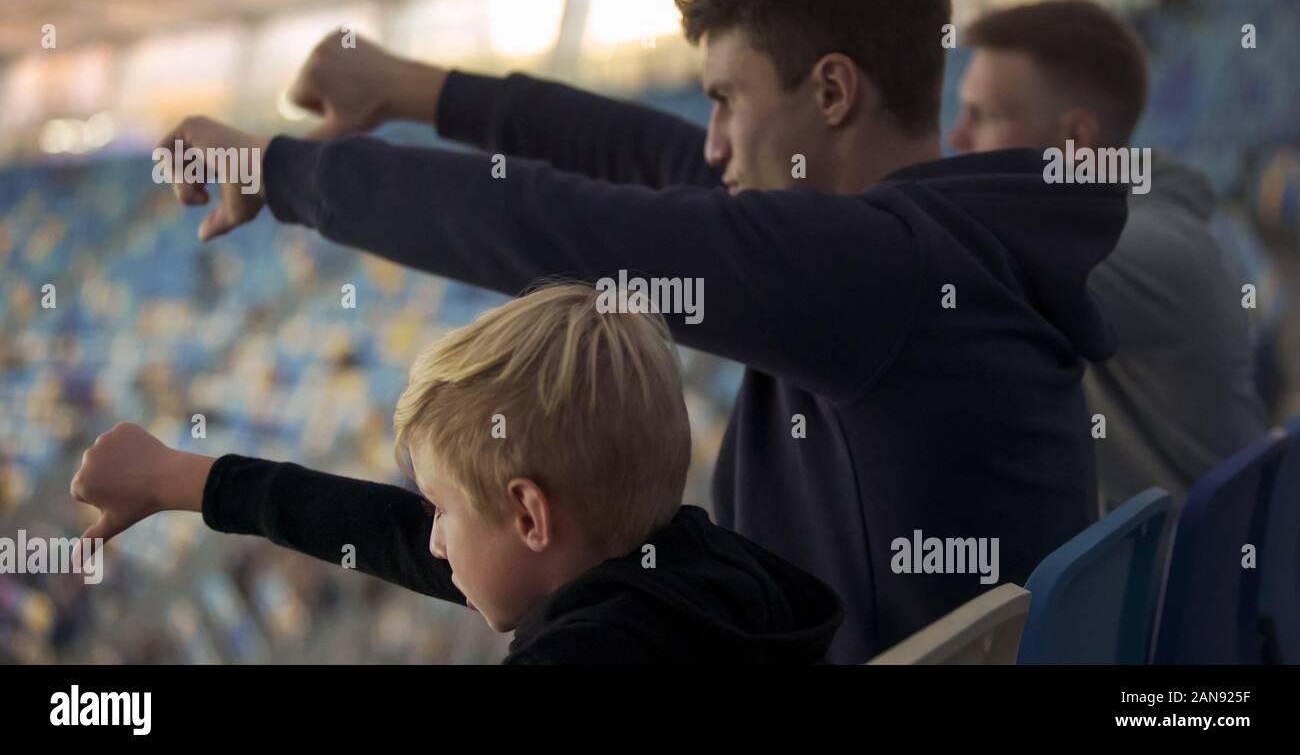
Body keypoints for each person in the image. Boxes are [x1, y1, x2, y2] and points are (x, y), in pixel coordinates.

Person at [135, 0, 1127, 663]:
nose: (708, 141)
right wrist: (416, 89)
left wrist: (277, 168)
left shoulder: (877, 272)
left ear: (831, 93)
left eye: (726, 99)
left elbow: (567, 226)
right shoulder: (941, 246)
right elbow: (646, 164)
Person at [71, 284, 844, 664]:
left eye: (440, 507)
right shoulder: (686, 574)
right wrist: (185, 478)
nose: (432, 541)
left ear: (531, 515)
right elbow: (388, 535)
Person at [949, 0, 1267, 510]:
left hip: (1180, 584)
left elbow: (949, 280)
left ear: (1075, 140)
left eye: (982, 115)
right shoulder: (1139, 225)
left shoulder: (1147, 250)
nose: (956, 136)